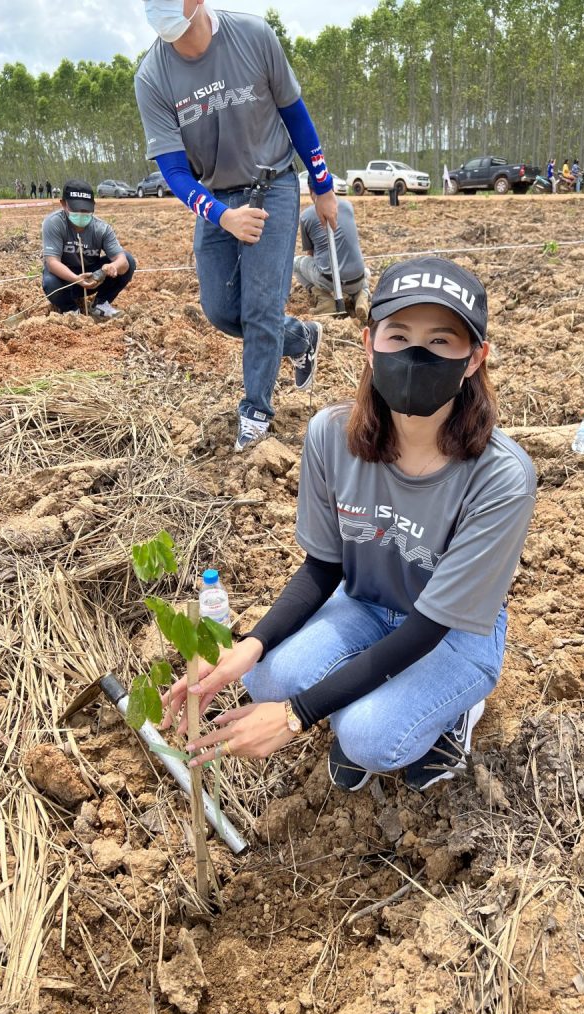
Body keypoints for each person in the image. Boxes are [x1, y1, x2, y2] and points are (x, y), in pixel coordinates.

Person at [163, 257, 537, 793]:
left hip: (452, 631)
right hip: (366, 602)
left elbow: (429, 626)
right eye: (398, 335)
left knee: (367, 737)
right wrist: (251, 644)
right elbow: (324, 566)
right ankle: (374, 687)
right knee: (265, 677)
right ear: (369, 343)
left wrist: (297, 715)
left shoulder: (501, 476)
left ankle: (455, 714)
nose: (415, 355)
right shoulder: (331, 436)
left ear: (475, 358)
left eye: (440, 341)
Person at [134, 0, 338, 452]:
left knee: (261, 306)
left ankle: (256, 413)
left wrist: (322, 184)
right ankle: (300, 336)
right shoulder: (152, 77)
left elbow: (294, 113)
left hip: (273, 185)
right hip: (216, 198)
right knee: (222, 310)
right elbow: (174, 171)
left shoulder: (253, 36)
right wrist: (222, 216)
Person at [41, 179, 136, 317]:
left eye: (86, 209)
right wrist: (76, 278)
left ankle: (100, 304)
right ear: (63, 204)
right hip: (65, 280)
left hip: (92, 276)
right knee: (50, 282)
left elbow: (123, 261)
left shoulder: (102, 229)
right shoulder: (54, 223)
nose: (81, 213)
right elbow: (52, 262)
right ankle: (71, 310)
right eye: (76, 208)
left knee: (129, 260)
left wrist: (112, 267)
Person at [294, 190, 370, 321]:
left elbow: (310, 255)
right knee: (364, 271)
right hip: (357, 278)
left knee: (295, 263)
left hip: (329, 280)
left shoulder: (306, 216)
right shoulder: (347, 205)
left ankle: (325, 301)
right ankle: (362, 295)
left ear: (311, 191)